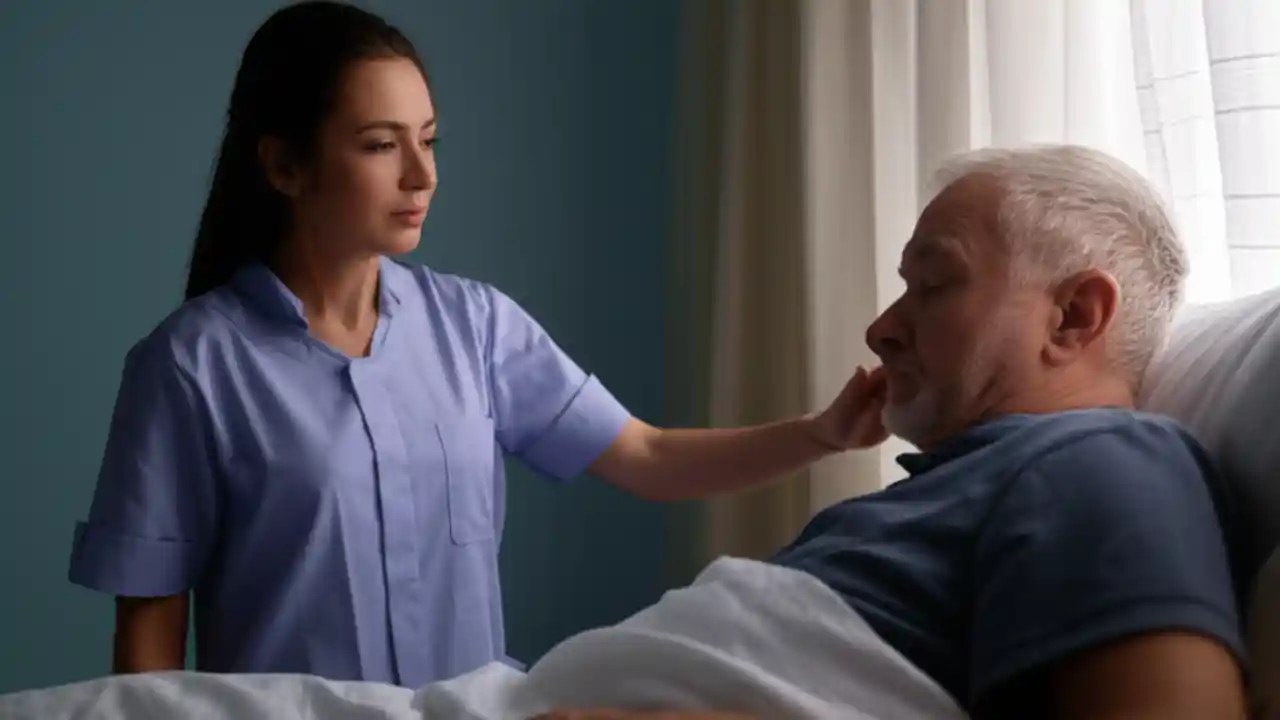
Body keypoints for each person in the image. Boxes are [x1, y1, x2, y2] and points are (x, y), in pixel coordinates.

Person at [66, 1, 888, 689]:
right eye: (382, 144)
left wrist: (823, 434)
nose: (421, 175)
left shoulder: (476, 327)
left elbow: (649, 455)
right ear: (283, 165)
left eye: (429, 139)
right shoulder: (190, 367)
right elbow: (148, 639)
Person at [542, 146, 1254, 719]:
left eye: (935, 284)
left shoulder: (1108, 461)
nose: (881, 329)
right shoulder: (952, 498)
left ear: (1072, 316)